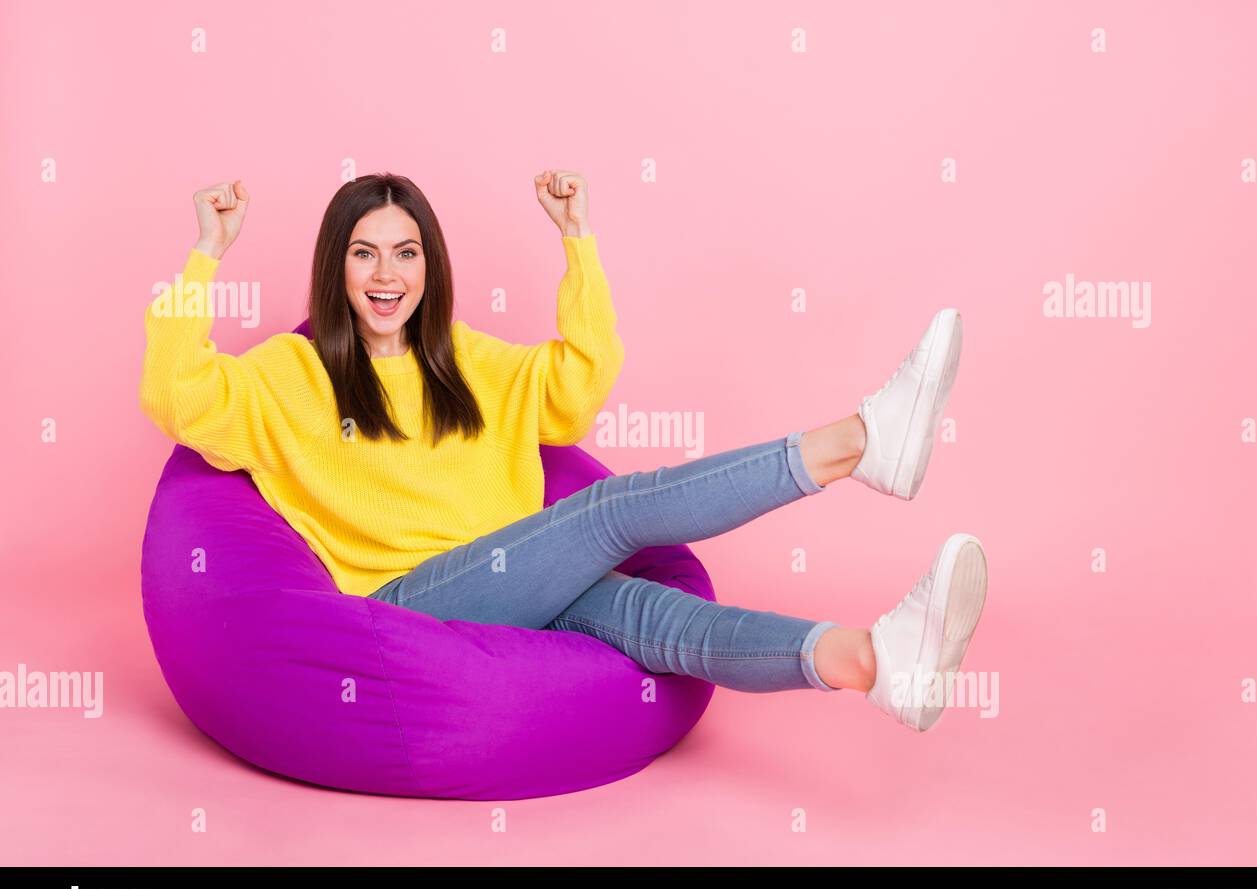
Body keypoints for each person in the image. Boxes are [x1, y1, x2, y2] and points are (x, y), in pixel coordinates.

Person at [138, 170, 987, 734]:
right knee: (610, 512)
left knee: (655, 619)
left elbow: (578, 385)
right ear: (337, 265)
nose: (386, 274)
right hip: (409, 602)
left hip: (523, 583)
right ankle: (859, 444)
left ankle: (875, 663)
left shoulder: (466, 362)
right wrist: (206, 254)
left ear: (430, 267)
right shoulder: (288, 375)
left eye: (406, 252)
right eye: (364, 253)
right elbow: (178, 397)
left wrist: (578, 240)